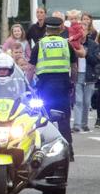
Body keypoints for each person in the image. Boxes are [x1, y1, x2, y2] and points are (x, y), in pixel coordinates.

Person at [28, 17, 78, 162]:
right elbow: (74, 67)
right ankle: (69, 152)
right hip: (62, 88)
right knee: (64, 120)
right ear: (60, 29)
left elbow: (30, 68)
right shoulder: (66, 44)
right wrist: (72, 82)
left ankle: (40, 153)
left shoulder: (40, 45)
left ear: (47, 29)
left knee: (42, 120)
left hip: (44, 89)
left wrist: (28, 86)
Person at [72, 23, 100, 132]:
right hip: (77, 74)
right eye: (79, 29)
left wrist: (85, 54)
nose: (81, 32)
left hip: (89, 75)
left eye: (83, 29)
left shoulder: (93, 45)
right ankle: (76, 125)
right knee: (78, 101)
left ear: (88, 31)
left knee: (87, 101)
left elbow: (95, 61)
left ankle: (84, 124)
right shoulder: (73, 43)